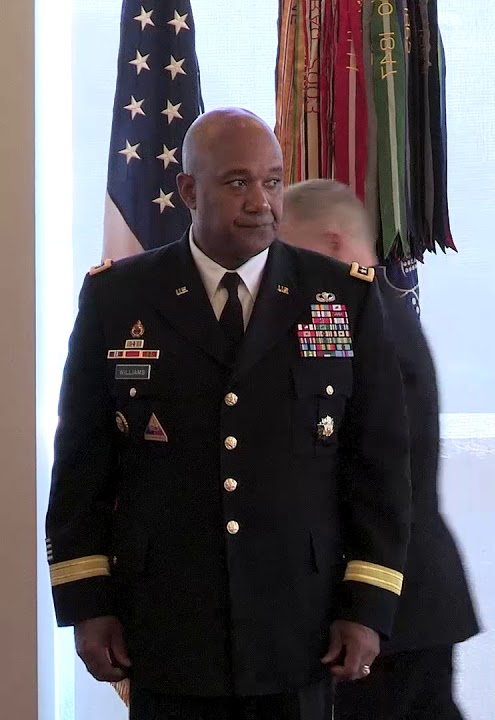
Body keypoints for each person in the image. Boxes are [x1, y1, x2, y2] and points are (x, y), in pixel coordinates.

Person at [45, 108, 412, 720]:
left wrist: (367, 604)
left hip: (300, 625)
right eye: (238, 182)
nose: (262, 202)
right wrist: (88, 603)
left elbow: (380, 465)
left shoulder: (343, 296)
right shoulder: (120, 297)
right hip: (168, 623)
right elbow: (83, 464)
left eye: (273, 181)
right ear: (189, 190)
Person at [279, 179, 479, 720]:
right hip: (405, 594)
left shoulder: (353, 323)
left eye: (287, 250)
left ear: (332, 243)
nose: (278, 272)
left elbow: (356, 465)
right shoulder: (382, 312)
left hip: (385, 601)